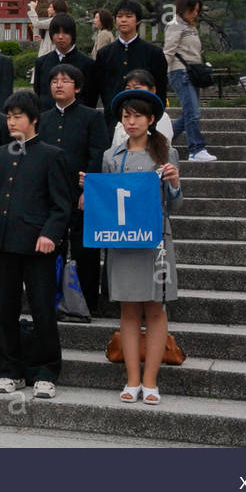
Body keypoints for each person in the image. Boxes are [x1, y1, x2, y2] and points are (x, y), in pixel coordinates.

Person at [0, 91, 71, 399]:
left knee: (42, 309)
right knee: (5, 310)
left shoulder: (51, 155)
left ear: (34, 119)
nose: (11, 122)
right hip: (4, 244)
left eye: (18, 116)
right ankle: (11, 370)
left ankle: (46, 371)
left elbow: (62, 205)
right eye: (8, 116)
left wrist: (50, 234)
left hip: (38, 246)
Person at [102, 88, 182, 405]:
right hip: (123, 241)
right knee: (128, 308)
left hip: (156, 241)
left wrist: (174, 184)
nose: (131, 121)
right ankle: (132, 378)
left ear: (151, 120)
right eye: (126, 116)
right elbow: (109, 202)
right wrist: (89, 190)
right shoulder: (111, 157)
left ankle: (150, 380)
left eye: (137, 115)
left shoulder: (165, 154)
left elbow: (175, 205)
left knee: (156, 308)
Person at [39, 64, 109, 315]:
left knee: (84, 250)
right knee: (51, 249)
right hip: (51, 195)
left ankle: (87, 303)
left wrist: (88, 188)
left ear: (77, 88)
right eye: (54, 80)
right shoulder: (43, 118)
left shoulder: (92, 117)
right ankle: (52, 301)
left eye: (65, 80)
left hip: (81, 194)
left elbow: (97, 153)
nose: (58, 84)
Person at [95, 0, 167, 127]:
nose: (123, 20)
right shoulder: (104, 53)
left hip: (144, 117)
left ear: (138, 20)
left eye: (129, 16)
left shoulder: (153, 52)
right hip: (113, 117)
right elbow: (100, 86)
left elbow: (160, 87)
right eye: (119, 16)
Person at [165, 0, 216, 162]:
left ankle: (162, 139)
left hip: (191, 72)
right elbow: (169, 51)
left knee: (190, 113)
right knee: (192, 112)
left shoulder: (190, 27)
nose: (195, 14)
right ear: (184, 8)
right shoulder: (175, 26)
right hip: (180, 72)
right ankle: (196, 148)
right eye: (193, 10)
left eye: (197, 11)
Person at [32, 14, 97, 110]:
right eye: (56, 33)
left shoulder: (87, 64)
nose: (60, 37)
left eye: (65, 33)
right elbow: (39, 93)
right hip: (47, 118)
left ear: (73, 34)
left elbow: (91, 98)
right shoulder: (41, 62)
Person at [110, 69, 175, 147]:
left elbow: (164, 147)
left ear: (152, 90)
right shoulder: (122, 116)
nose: (132, 92)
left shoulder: (162, 117)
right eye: (128, 89)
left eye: (137, 88)